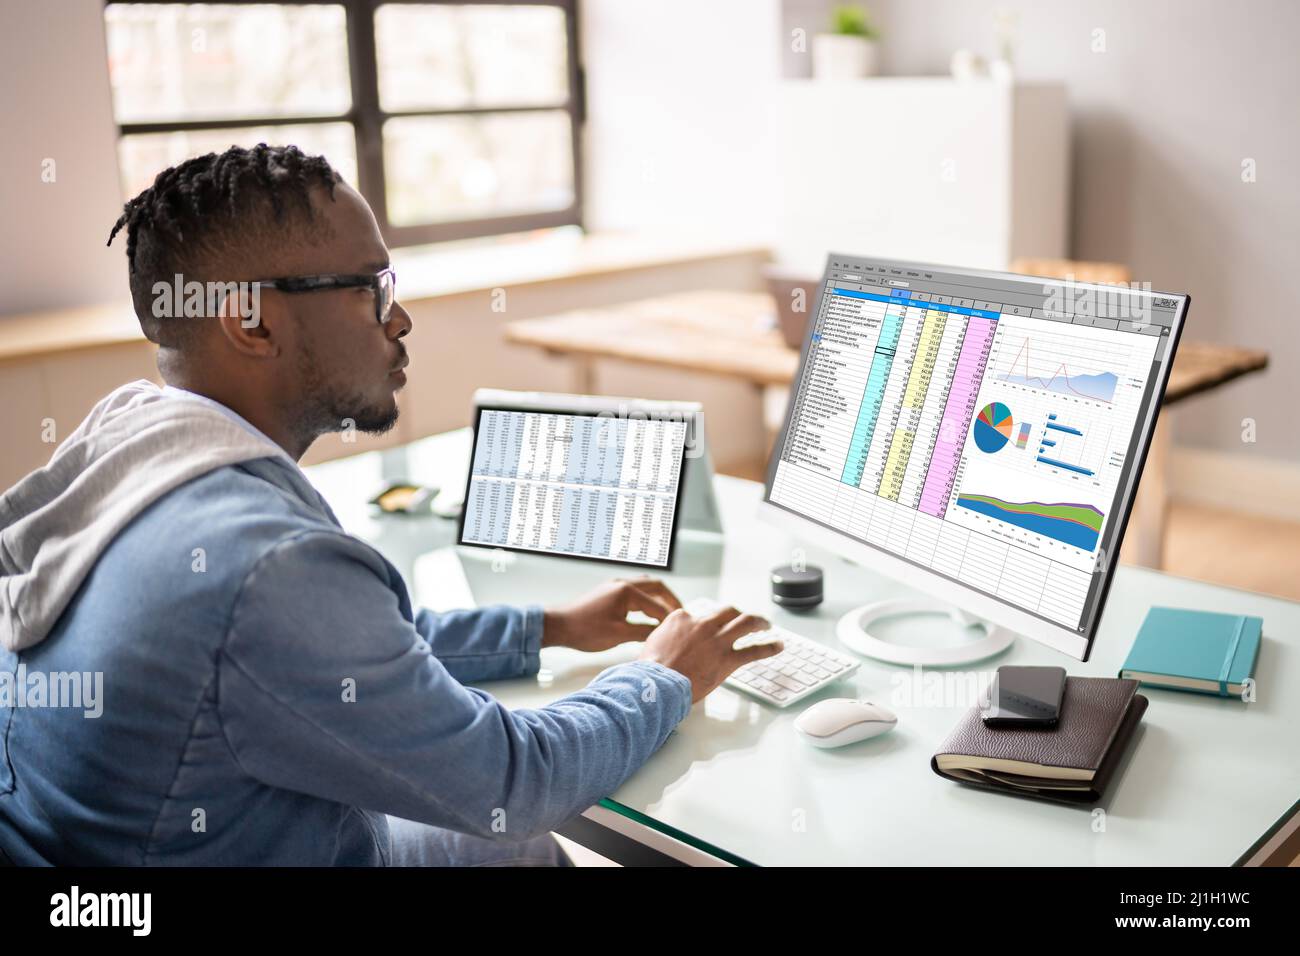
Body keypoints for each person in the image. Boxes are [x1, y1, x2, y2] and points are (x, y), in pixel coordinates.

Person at [0, 144, 780, 866]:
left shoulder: (125, 449)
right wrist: (662, 677)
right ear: (252, 321)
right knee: (524, 843)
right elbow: (511, 785)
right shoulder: (268, 564)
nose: (399, 319)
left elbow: (338, 652)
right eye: (369, 289)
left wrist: (549, 627)